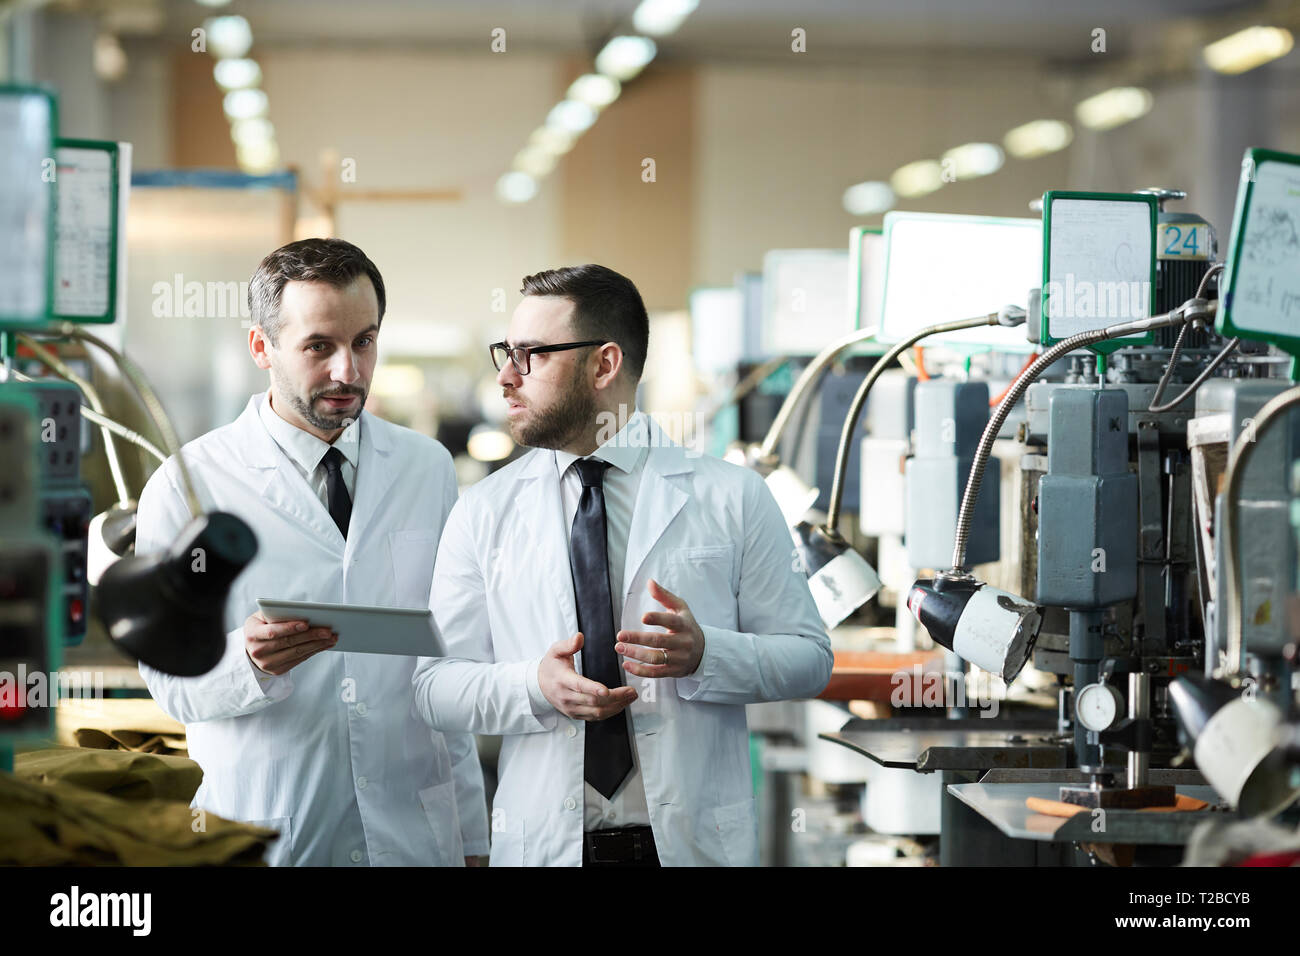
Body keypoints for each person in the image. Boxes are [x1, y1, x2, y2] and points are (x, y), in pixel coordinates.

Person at [413, 264, 832, 866]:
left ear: (604, 365)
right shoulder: (483, 511)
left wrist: (709, 655)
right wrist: (534, 684)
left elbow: (809, 659)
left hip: (687, 846)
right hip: (547, 846)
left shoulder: (731, 497)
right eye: (506, 352)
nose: (506, 376)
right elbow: (434, 687)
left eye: (530, 355)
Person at [137, 238, 488, 866]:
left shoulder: (426, 468)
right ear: (261, 347)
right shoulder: (189, 486)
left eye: (365, 341)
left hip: (415, 832)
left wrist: (473, 841)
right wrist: (245, 664)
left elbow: (446, 661)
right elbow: (169, 684)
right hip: (270, 828)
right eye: (319, 346)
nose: (348, 372)